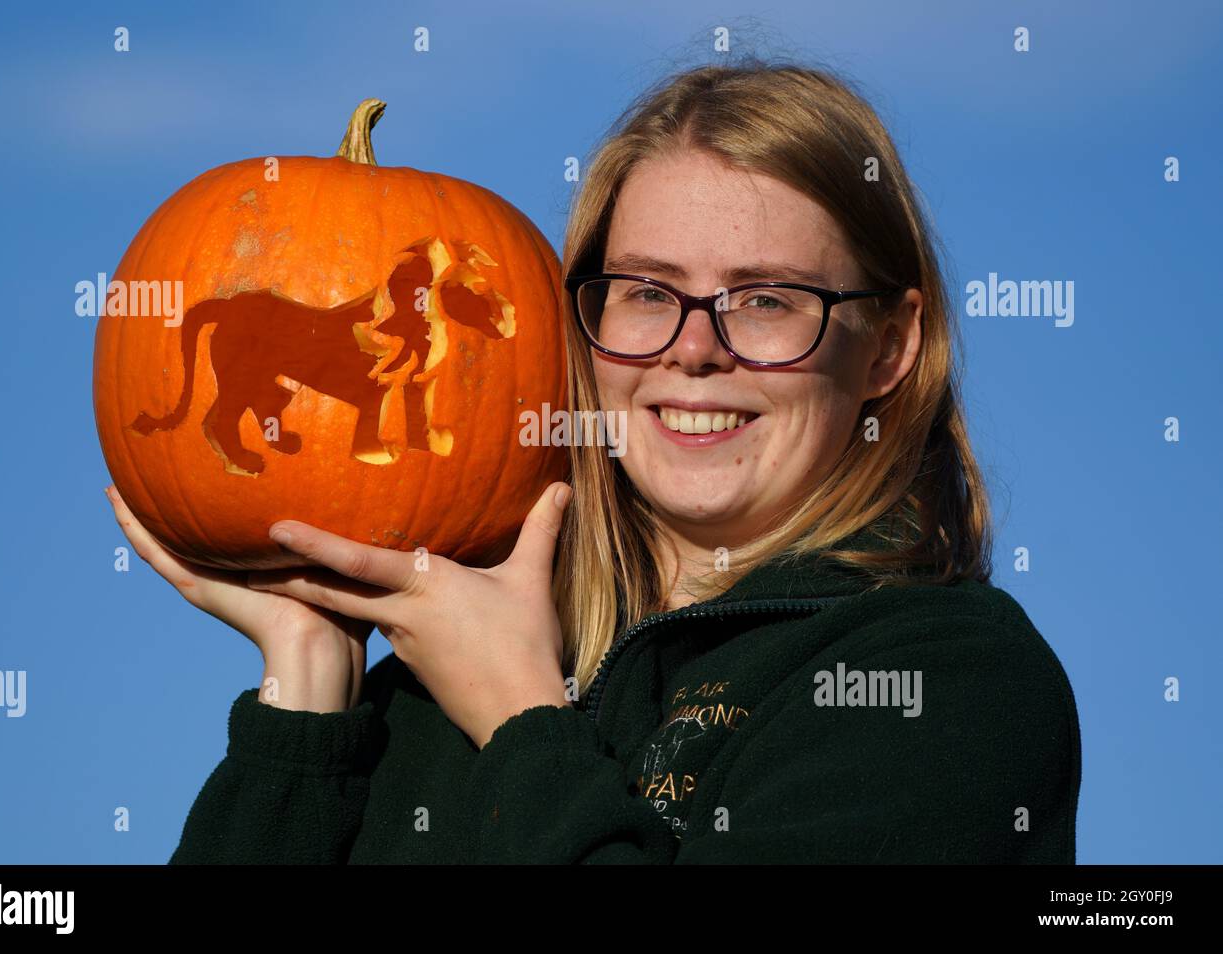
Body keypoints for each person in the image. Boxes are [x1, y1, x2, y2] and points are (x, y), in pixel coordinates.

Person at [107, 59, 1080, 864]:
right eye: (648, 294)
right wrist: (310, 697)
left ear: (887, 348)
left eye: (767, 300)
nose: (693, 348)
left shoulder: (947, 683)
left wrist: (520, 719)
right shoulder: (420, 683)